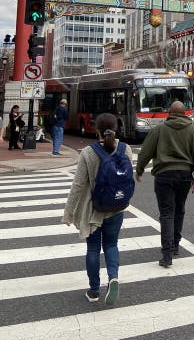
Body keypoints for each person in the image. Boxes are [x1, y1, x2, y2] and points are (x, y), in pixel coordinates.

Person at [62, 112, 132, 305]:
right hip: (117, 206)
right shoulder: (126, 150)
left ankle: (94, 291)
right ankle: (113, 277)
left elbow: (78, 185)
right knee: (111, 244)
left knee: (93, 248)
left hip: (93, 209)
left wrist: (69, 212)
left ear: (96, 129)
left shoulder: (88, 152)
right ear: (116, 128)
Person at [135, 101, 194, 267]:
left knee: (166, 213)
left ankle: (166, 255)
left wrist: (139, 170)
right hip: (185, 175)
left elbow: (145, 152)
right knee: (179, 209)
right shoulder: (191, 129)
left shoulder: (159, 129)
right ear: (184, 113)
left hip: (164, 174)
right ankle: (175, 245)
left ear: (169, 113)